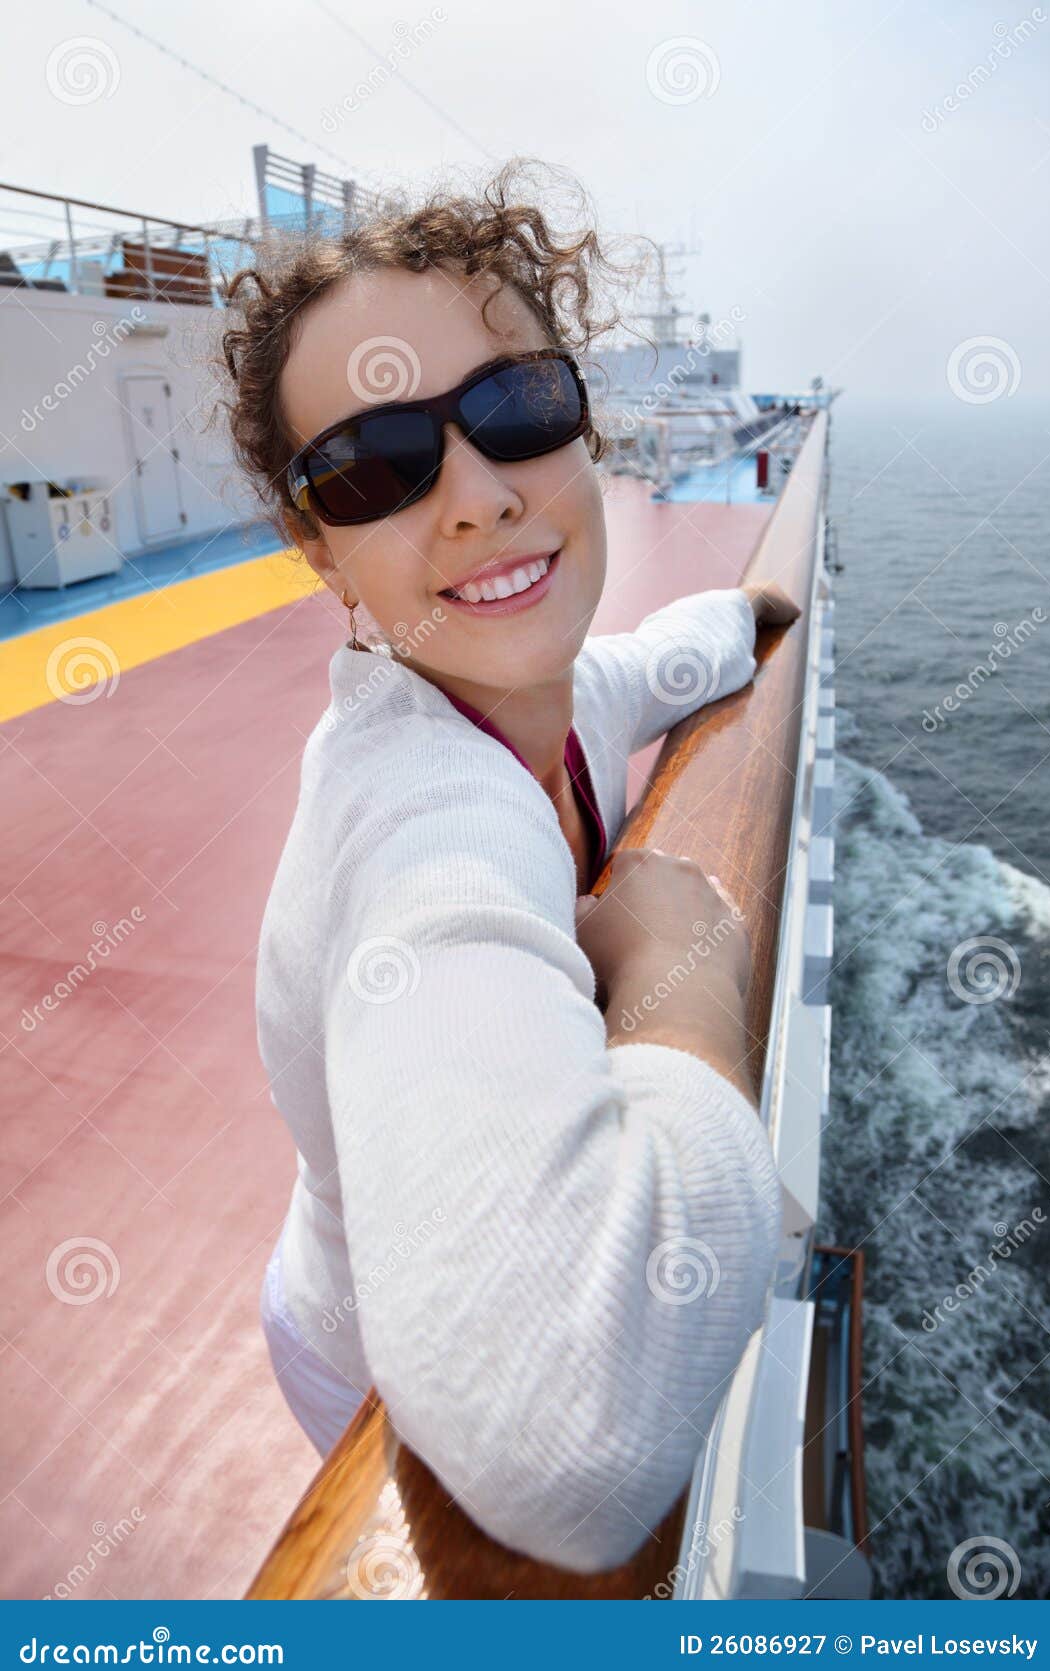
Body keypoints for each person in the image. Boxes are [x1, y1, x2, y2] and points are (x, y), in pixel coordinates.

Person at [215, 160, 798, 1574]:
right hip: (372, 1349)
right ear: (322, 551)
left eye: (517, 412)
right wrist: (683, 973)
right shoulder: (418, 813)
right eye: (374, 463)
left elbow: (631, 671)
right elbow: (568, 1434)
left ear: (580, 429)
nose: (476, 496)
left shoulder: (525, 698)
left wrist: (747, 618)